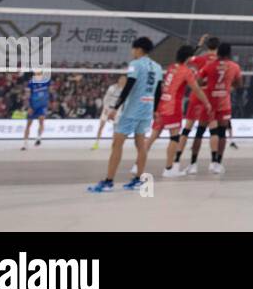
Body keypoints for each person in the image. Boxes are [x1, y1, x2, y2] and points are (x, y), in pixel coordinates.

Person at [87, 37, 161, 193]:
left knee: (117, 144)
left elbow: (128, 86)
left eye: (133, 49)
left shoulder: (135, 64)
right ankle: (138, 180)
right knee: (141, 145)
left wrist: (115, 107)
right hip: (147, 110)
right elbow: (159, 90)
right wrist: (156, 110)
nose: (132, 52)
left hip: (132, 110)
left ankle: (108, 181)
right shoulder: (157, 67)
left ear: (139, 49)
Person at [147, 45, 210, 177]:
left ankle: (137, 165)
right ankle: (169, 169)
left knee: (153, 136)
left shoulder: (171, 67)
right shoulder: (186, 71)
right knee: (174, 137)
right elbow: (196, 90)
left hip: (162, 104)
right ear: (188, 57)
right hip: (173, 106)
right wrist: (206, 102)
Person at [179, 35, 219, 174]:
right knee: (214, 130)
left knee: (188, 130)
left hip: (197, 95)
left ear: (207, 47)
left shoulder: (200, 59)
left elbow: (187, 59)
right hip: (213, 97)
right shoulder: (221, 63)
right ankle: (214, 163)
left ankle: (186, 163)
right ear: (218, 48)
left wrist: (198, 45)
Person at [206, 42, 242, 172]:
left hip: (211, 102)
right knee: (222, 133)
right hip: (224, 103)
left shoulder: (210, 65)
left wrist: (210, 87)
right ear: (229, 53)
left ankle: (212, 160)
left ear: (218, 52)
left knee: (213, 133)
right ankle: (218, 163)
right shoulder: (234, 66)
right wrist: (228, 88)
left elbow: (199, 81)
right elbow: (239, 83)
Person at [22, 70, 51, 150]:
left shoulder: (46, 81)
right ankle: (25, 144)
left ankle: (38, 138)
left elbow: (50, 90)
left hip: (42, 106)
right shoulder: (31, 83)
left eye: (39, 73)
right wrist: (28, 106)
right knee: (28, 124)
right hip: (33, 106)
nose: (37, 75)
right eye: (36, 74)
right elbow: (27, 95)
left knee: (41, 121)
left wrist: (48, 102)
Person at [91, 78, 122, 150]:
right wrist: (105, 108)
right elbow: (106, 98)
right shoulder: (112, 88)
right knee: (101, 126)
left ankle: (114, 144)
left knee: (115, 128)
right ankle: (96, 143)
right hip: (107, 109)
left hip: (116, 110)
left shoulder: (124, 89)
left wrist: (118, 110)